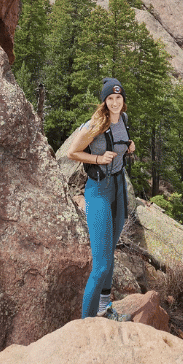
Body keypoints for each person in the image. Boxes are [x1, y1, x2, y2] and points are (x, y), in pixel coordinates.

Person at [66, 77, 137, 319]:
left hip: (118, 186)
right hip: (98, 190)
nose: (115, 102)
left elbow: (121, 145)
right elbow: (71, 152)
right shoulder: (94, 125)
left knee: (111, 251)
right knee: (101, 265)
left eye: (118, 98)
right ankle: (86, 325)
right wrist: (97, 159)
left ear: (123, 100)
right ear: (104, 102)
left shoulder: (124, 120)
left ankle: (104, 309)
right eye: (110, 98)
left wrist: (129, 146)